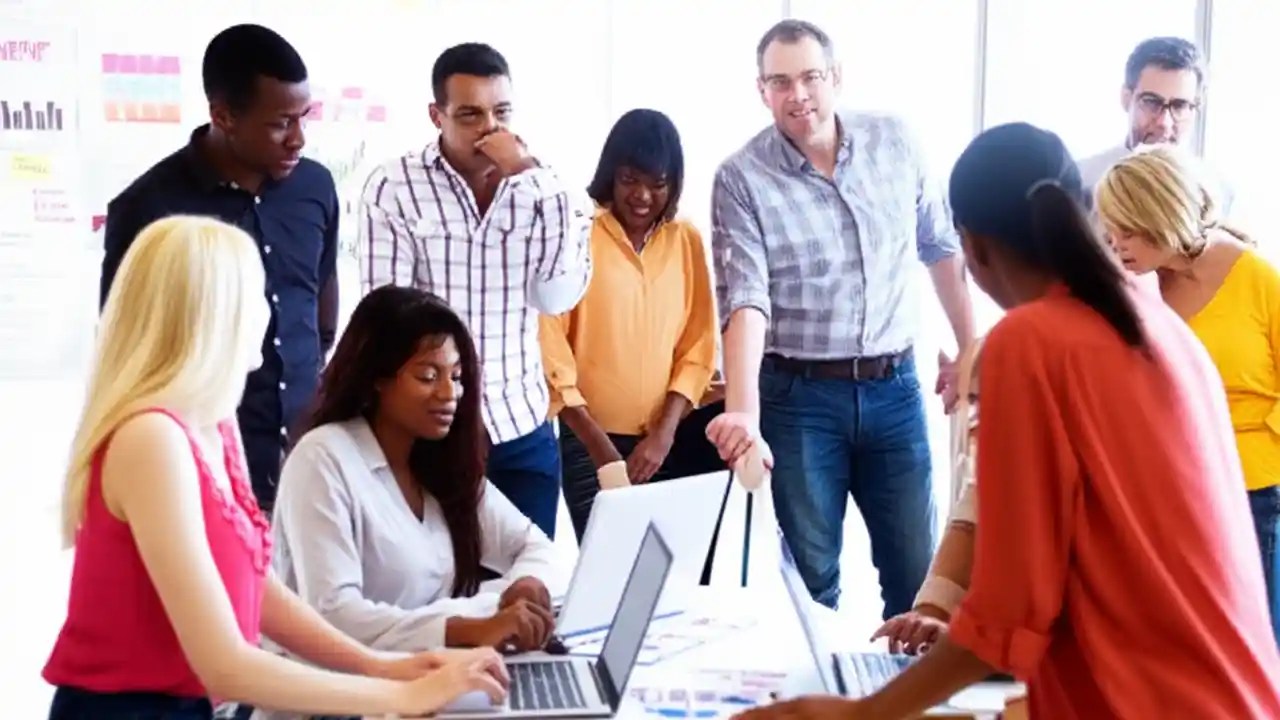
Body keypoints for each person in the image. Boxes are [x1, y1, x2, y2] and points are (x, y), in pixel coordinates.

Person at [736, 122, 1280, 720]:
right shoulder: (1157, 323)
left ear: (972, 249)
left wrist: (862, 714)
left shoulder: (1032, 341)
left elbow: (1009, 608)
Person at [43, 216, 508, 720]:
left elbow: (256, 587)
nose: (268, 314)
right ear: (215, 315)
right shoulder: (151, 439)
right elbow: (225, 665)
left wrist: (385, 667)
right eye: (257, 296)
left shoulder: (213, 424)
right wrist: (399, 696)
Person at [705, 19, 975, 616]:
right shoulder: (741, 177)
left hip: (895, 388)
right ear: (762, 91)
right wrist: (742, 411)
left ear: (836, 78)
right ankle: (820, 701)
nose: (798, 94)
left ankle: (910, 705)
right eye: (781, 82)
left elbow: (940, 244)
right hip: (800, 399)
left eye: (810, 77)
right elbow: (745, 299)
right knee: (811, 581)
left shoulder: (896, 140)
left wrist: (971, 348)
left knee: (919, 577)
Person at [264, 286, 563, 695]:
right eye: (427, 376)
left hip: (425, 687)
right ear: (377, 379)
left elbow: (534, 545)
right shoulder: (323, 459)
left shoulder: (438, 464)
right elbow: (334, 616)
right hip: (337, 699)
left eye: (456, 377)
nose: (448, 394)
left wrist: (526, 586)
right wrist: (470, 630)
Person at [99, 24, 339, 513]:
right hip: (199, 481)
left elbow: (320, 302)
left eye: (303, 118)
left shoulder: (315, 186)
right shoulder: (149, 210)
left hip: (308, 472)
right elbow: (125, 353)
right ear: (223, 115)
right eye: (280, 123)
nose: (298, 139)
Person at [358, 42, 591, 540]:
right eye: (469, 114)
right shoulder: (394, 186)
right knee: (442, 586)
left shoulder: (544, 188)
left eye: (500, 112)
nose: (489, 127)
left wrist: (530, 179)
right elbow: (386, 316)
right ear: (435, 116)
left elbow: (555, 298)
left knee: (530, 586)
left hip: (520, 424)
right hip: (431, 425)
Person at [1096, 145, 1280, 647]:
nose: (1116, 244)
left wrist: (1259, 447)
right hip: (1175, 493)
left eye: (1127, 229)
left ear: (1161, 214)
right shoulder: (1137, 288)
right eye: (1111, 230)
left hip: (1254, 490)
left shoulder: (1256, 276)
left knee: (1254, 649)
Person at [540, 108, 724, 541]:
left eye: (657, 184)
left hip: (671, 441)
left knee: (673, 574)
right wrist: (598, 446)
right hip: (590, 442)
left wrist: (663, 436)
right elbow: (551, 349)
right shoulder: (576, 236)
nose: (642, 195)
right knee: (611, 572)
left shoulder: (686, 239)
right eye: (630, 180)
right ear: (610, 175)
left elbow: (697, 345)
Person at [1077, 36, 1231, 213]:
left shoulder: (1219, 196)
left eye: (1179, 106)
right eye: (1151, 102)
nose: (1164, 123)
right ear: (1126, 99)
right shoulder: (1081, 183)